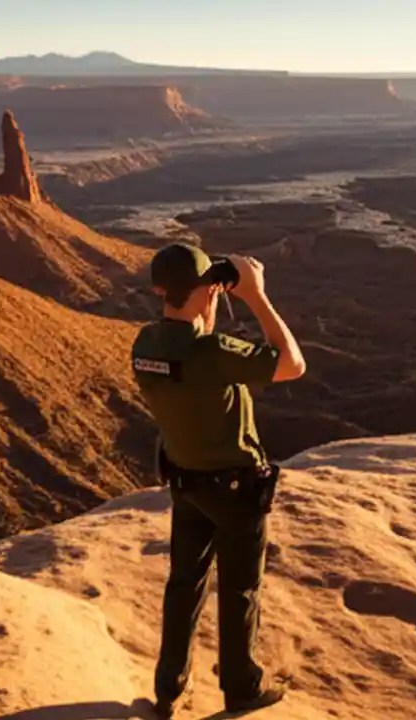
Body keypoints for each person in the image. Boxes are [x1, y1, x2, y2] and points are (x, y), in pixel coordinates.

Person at [131, 242, 306, 718]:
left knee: (184, 584)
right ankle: (242, 687)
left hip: (186, 487)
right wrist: (255, 295)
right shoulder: (214, 352)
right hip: (236, 491)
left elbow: (185, 347)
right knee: (239, 589)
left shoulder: (145, 344)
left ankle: (169, 687)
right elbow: (292, 363)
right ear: (207, 290)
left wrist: (205, 298)